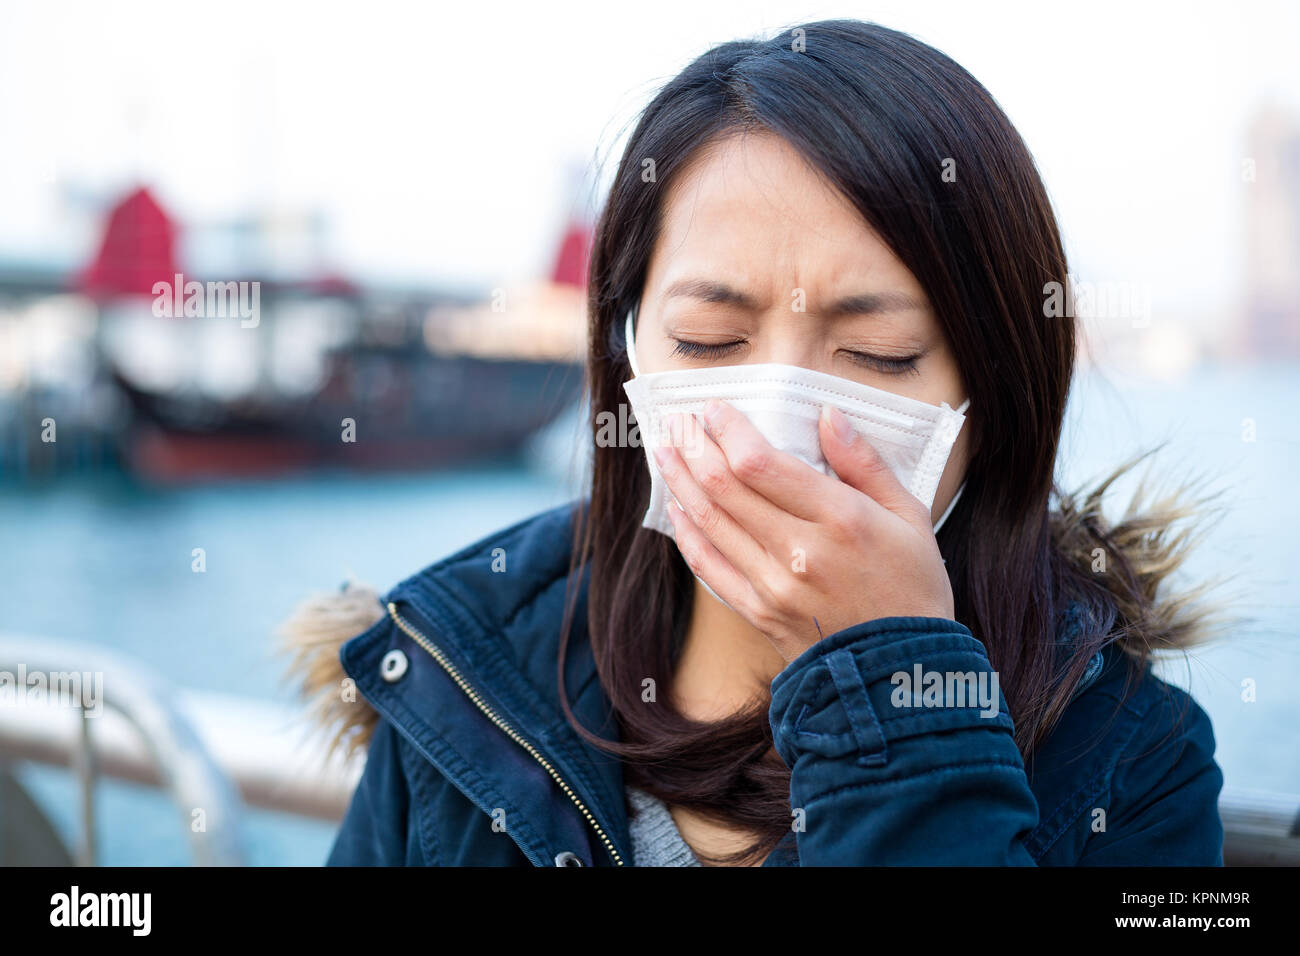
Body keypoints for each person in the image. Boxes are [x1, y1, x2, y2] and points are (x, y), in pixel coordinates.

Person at [282, 18, 1226, 866]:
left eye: (877, 353)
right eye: (708, 343)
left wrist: (895, 679)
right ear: (627, 354)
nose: (773, 420)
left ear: (995, 395)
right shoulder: (459, 664)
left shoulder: (1128, 761)